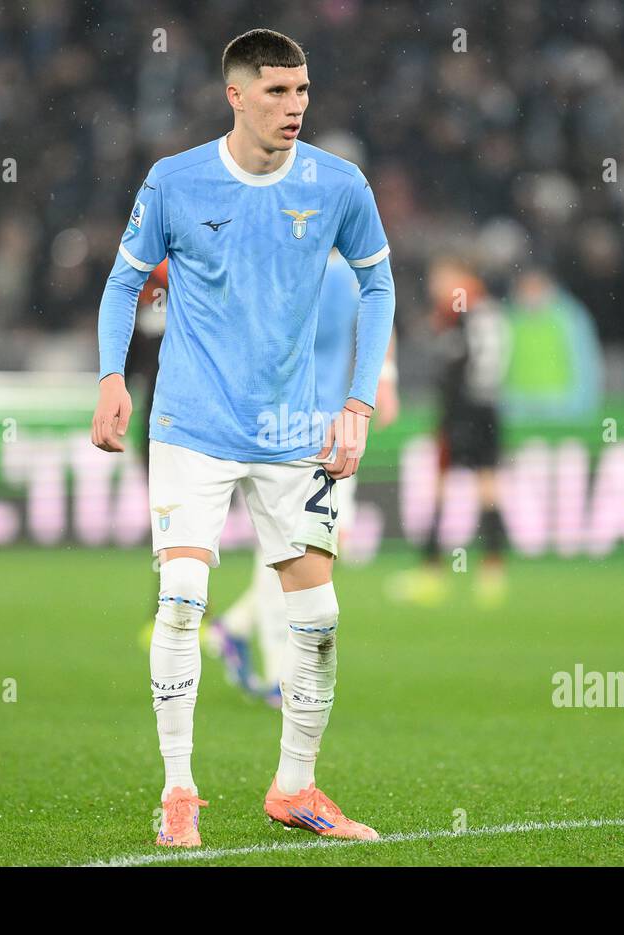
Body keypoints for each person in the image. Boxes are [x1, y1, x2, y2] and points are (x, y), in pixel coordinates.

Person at [92, 29, 395, 847]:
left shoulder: (339, 184)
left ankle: (296, 787)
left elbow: (379, 281)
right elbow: (124, 280)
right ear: (236, 94)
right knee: (183, 602)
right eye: (277, 93)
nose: (295, 107)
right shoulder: (175, 181)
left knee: (320, 617)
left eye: (302, 92)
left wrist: (358, 402)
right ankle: (179, 791)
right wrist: (111, 378)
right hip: (192, 425)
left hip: (296, 431)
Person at [207, 246, 400, 706]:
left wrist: (384, 379)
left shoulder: (302, 267)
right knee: (295, 547)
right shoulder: (338, 272)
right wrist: (384, 379)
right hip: (299, 428)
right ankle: (277, 671)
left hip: (319, 425)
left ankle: (235, 630)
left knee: (308, 546)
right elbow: (380, 307)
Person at [388, 257, 510, 608]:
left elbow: (459, 362)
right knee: (487, 487)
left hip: (462, 409)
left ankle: (432, 571)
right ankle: (492, 570)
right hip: (486, 408)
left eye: (441, 278)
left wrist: (450, 402)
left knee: (444, 488)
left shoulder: (464, 312)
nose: (435, 286)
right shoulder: (489, 311)